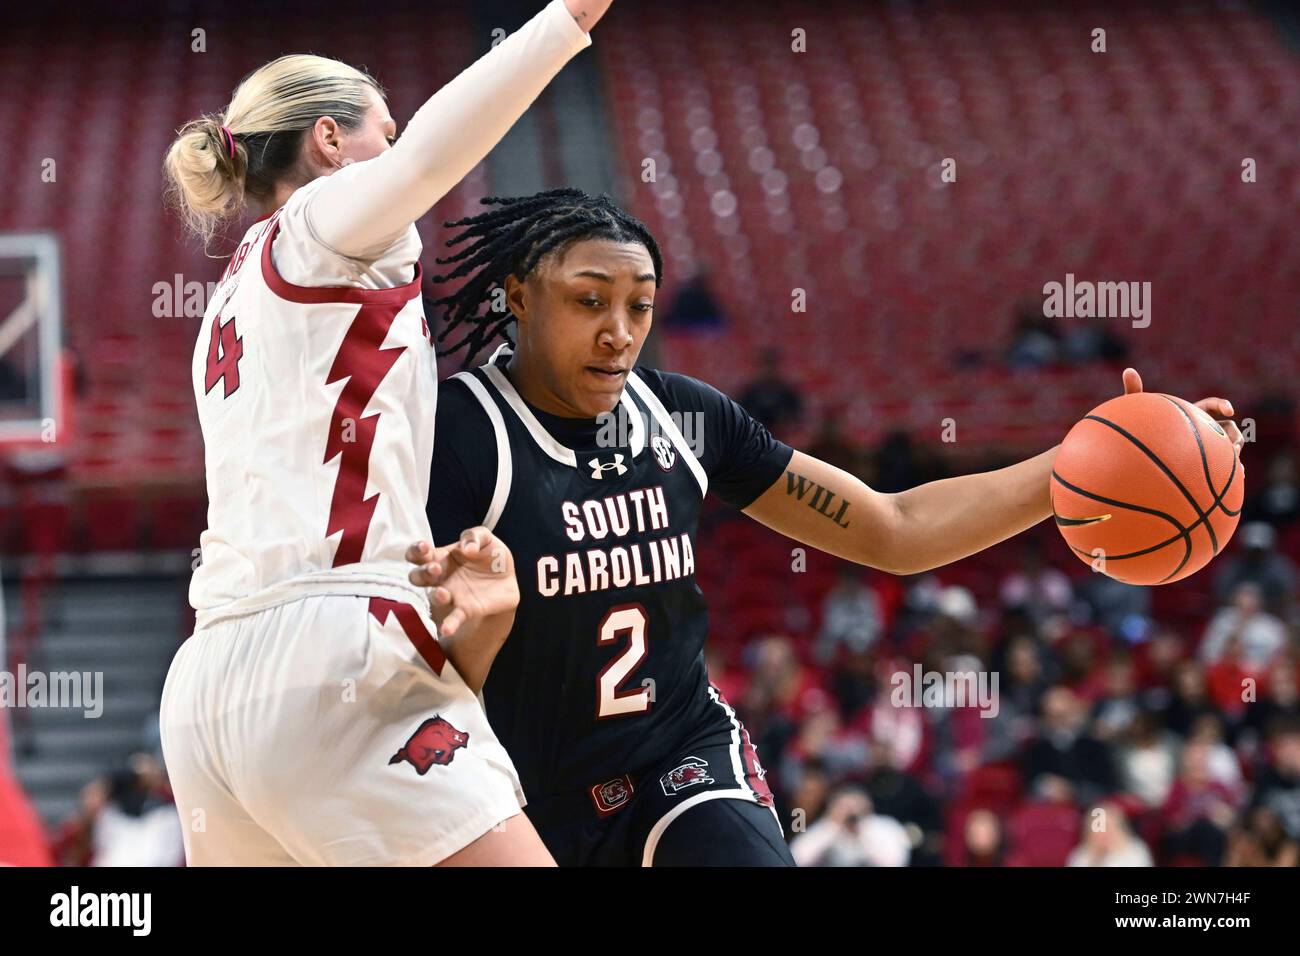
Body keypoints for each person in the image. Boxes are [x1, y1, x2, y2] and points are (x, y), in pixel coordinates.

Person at [408, 187, 1243, 866]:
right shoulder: (451, 435)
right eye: (590, 301)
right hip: (510, 786)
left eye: (640, 305)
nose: (620, 332)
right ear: (516, 295)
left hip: (679, 761)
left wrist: (1088, 459)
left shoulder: (685, 418)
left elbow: (895, 527)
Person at [157, 0, 614, 867]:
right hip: (330, 649)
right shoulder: (320, 228)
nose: (392, 147)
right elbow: (431, 157)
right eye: (380, 129)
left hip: (210, 686)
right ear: (329, 141)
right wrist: (564, 20)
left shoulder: (229, 298)